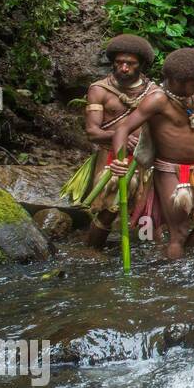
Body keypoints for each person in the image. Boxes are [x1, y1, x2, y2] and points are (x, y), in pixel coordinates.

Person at [108, 48, 194, 259]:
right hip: (170, 172)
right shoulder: (158, 99)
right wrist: (119, 161)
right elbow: (122, 129)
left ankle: (179, 254)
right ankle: (175, 275)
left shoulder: (193, 97)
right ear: (176, 80)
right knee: (179, 232)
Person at [61, 34, 159, 248]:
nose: (124, 68)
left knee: (148, 211)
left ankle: (149, 258)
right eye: (119, 63)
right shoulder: (99, 90)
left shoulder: (154, 92)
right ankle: (92, 251)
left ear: (141, 65)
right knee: (109, 209)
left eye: (130, 64)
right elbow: (92, 133)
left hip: (144, 160)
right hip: (112, 160)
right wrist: (122, 137)